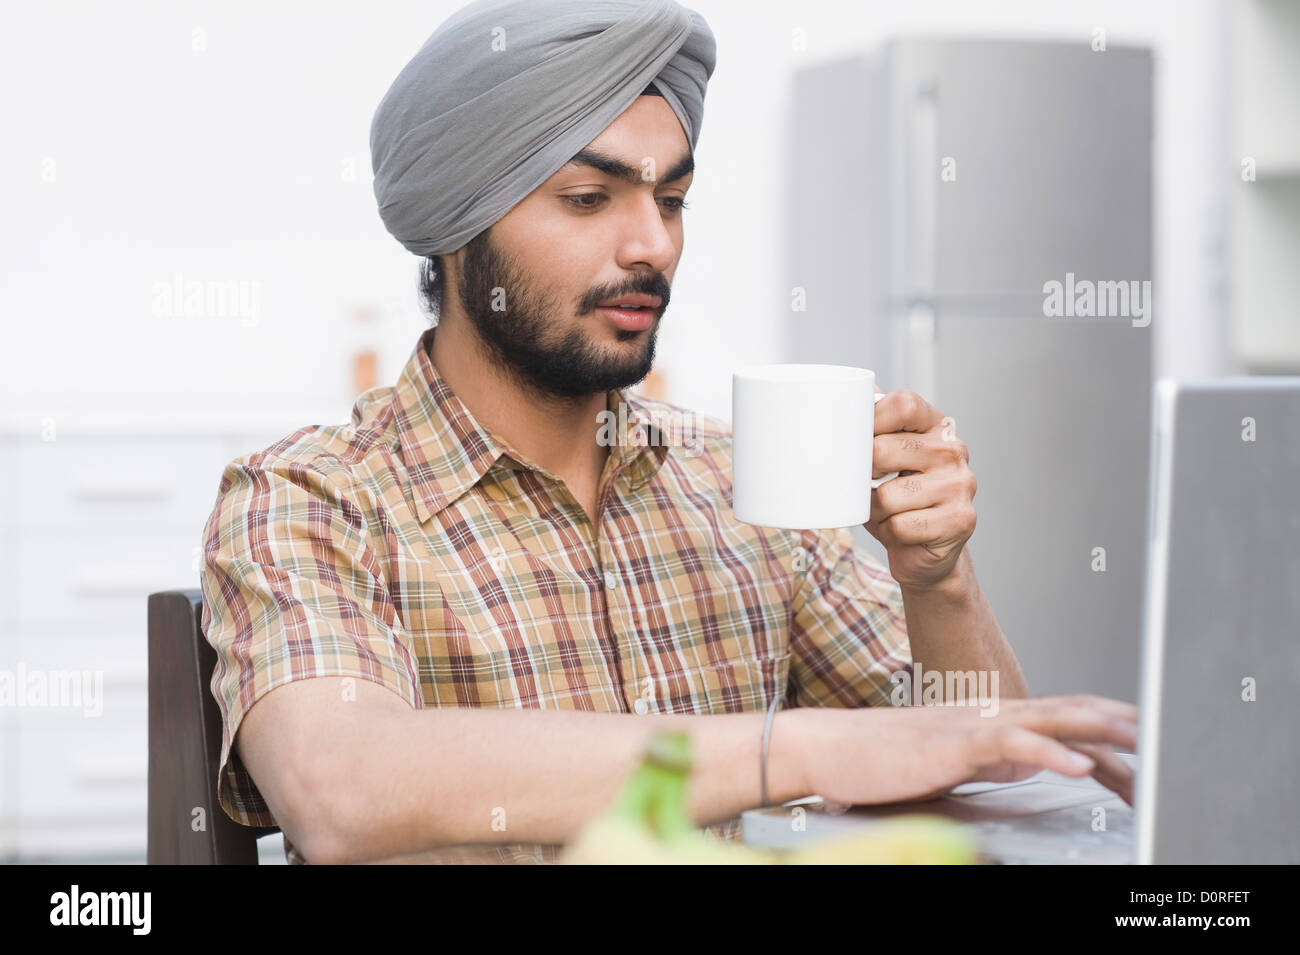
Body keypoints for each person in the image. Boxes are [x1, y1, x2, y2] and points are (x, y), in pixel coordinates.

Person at [199, 0, 1136, 865]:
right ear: (458, 228)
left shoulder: (739, 476)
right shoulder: (312, 497)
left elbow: (990, 770)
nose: (653, 243)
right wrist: (803, 746)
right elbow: (340, 783)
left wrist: (940, 583)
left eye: (672, 199)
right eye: (588, 198)